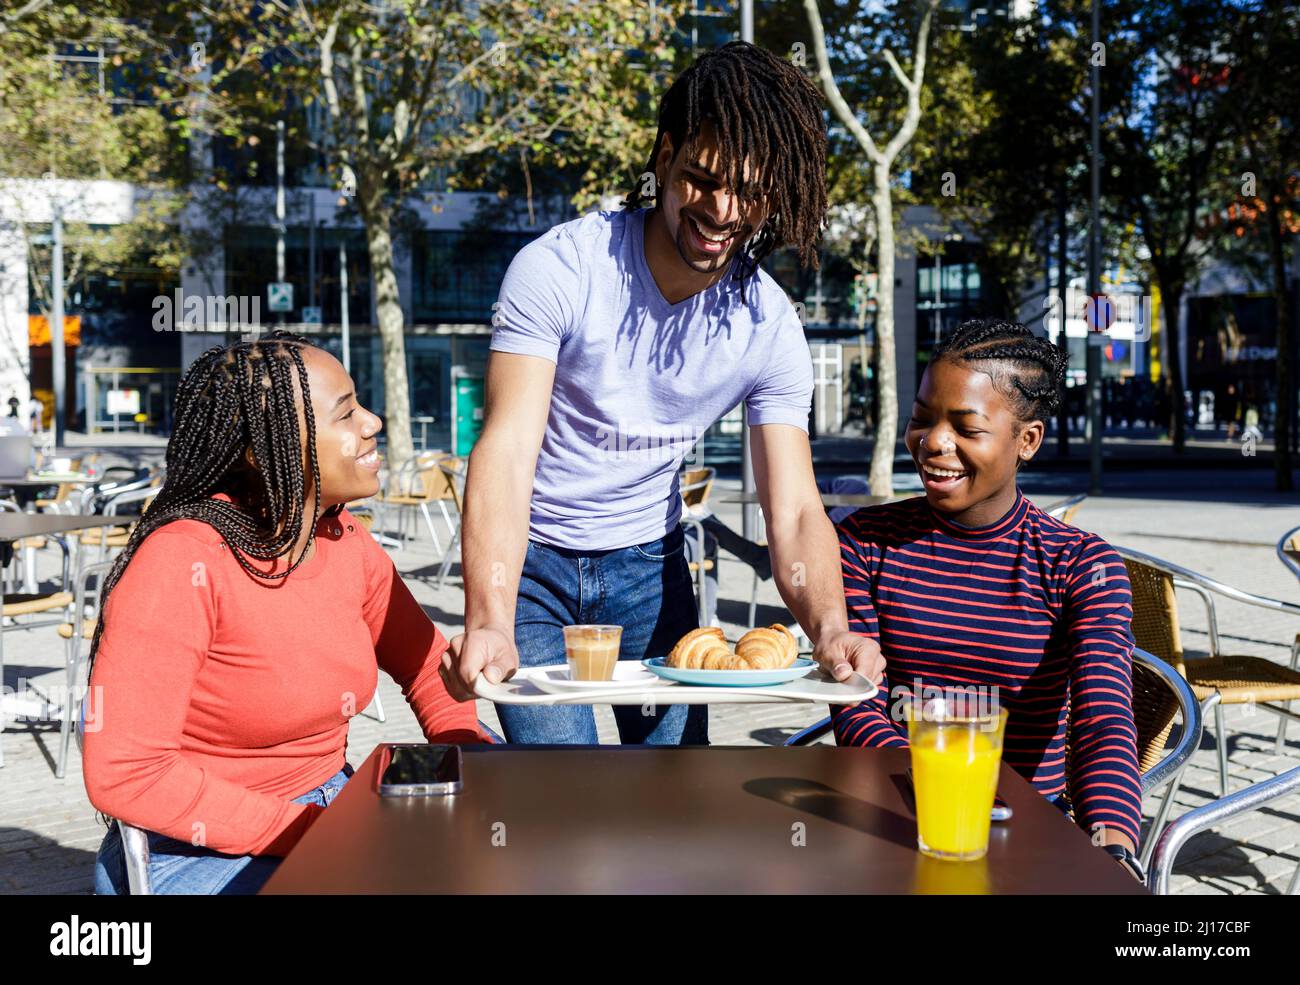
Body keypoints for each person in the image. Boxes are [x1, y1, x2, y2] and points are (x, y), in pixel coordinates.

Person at [443, 41, 885, 745]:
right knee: (568, 796)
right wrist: (489, 615)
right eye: (702, 179)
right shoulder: (557, 270)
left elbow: (796, 508)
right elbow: (504, 451)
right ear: (664, 158)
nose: (720, 209)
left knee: (675, 793)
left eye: (748, 190)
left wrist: (832, 628)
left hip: (652, 571)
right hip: (532, 572)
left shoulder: (769, 325)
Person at [83, 332, 483, 895]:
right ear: (261, 448)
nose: (373, 422)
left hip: (329, 808)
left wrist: (470, 758)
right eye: (346, 414)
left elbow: (427, 668)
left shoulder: (345, 541)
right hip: (197, 849)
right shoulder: (183, 562)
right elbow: (128, 774)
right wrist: (318, 832)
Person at [831, 317, 1145, 882]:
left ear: (1028, 440)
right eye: (922, 419)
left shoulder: (1078, 564)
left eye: (965, 427)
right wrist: (939, 791)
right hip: (890, 817)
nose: (932, 442)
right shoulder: (863, 542)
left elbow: (1104, 722)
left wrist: (1112, 853)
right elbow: (856, 702)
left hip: (1024, 832)